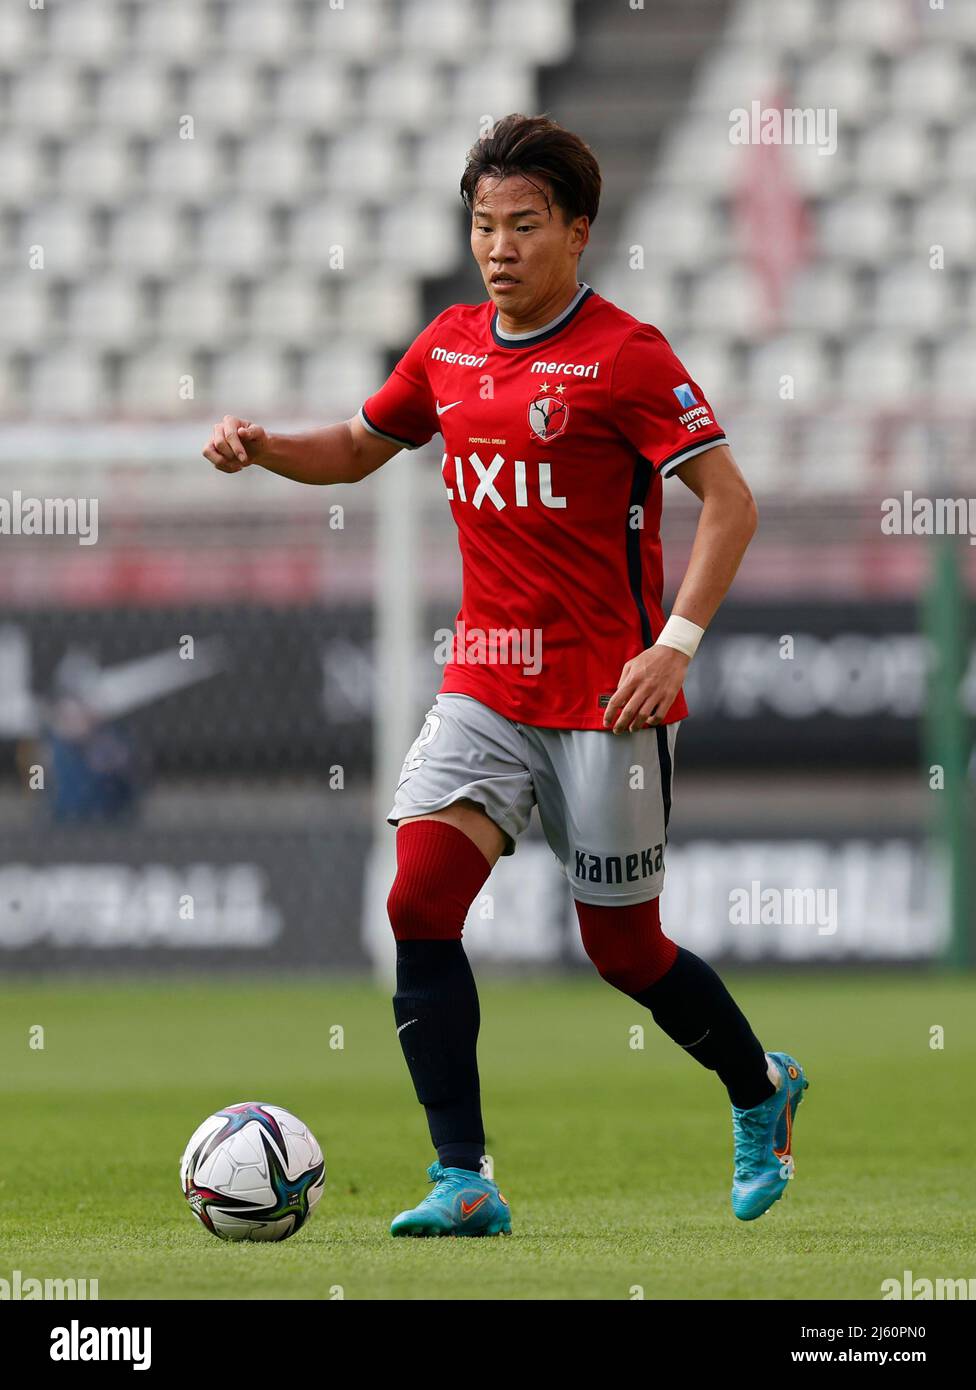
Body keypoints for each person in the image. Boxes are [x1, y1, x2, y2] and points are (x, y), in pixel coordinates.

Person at [203, 113, 808, 1239]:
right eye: (482, 224)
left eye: (523, 224)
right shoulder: (446, 347)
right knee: (418, 899)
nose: (497, 246)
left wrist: (670, 644)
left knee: (622, 950)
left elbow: (729, 500)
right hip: (484, 679)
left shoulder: (626, 356)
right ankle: (462, 1175)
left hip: (605, 693)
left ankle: (759, 1090)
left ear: (578, 232)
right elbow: (357, 442)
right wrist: (265, 446)